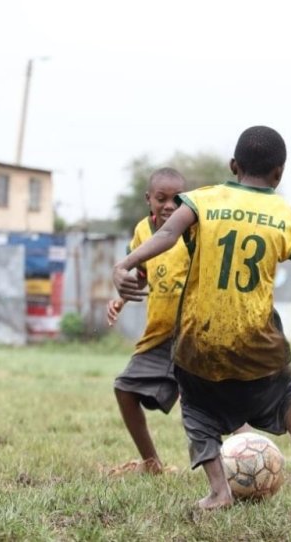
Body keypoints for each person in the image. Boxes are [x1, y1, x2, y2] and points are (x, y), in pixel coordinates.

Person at [112, 125, 291, 510]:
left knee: (196, 409)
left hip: (198, 339)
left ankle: (218, 491)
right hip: (256, 340)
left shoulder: (202, 200)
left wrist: (124, 264)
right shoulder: (288, 217)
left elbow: (167, 236)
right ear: (279, 173)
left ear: (233, 166)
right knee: (287, 391)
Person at [104, 168, 191, 476]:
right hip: (159, 334)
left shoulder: (194, 229)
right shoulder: (143, 230)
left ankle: (247, 451)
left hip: (194, 332)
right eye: (161, 198)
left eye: (176, 199)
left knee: (211, 401)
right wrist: (121, 299)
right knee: (125, 389)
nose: (169, 205)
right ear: (148, 199)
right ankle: (151, 463)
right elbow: (142, 274)